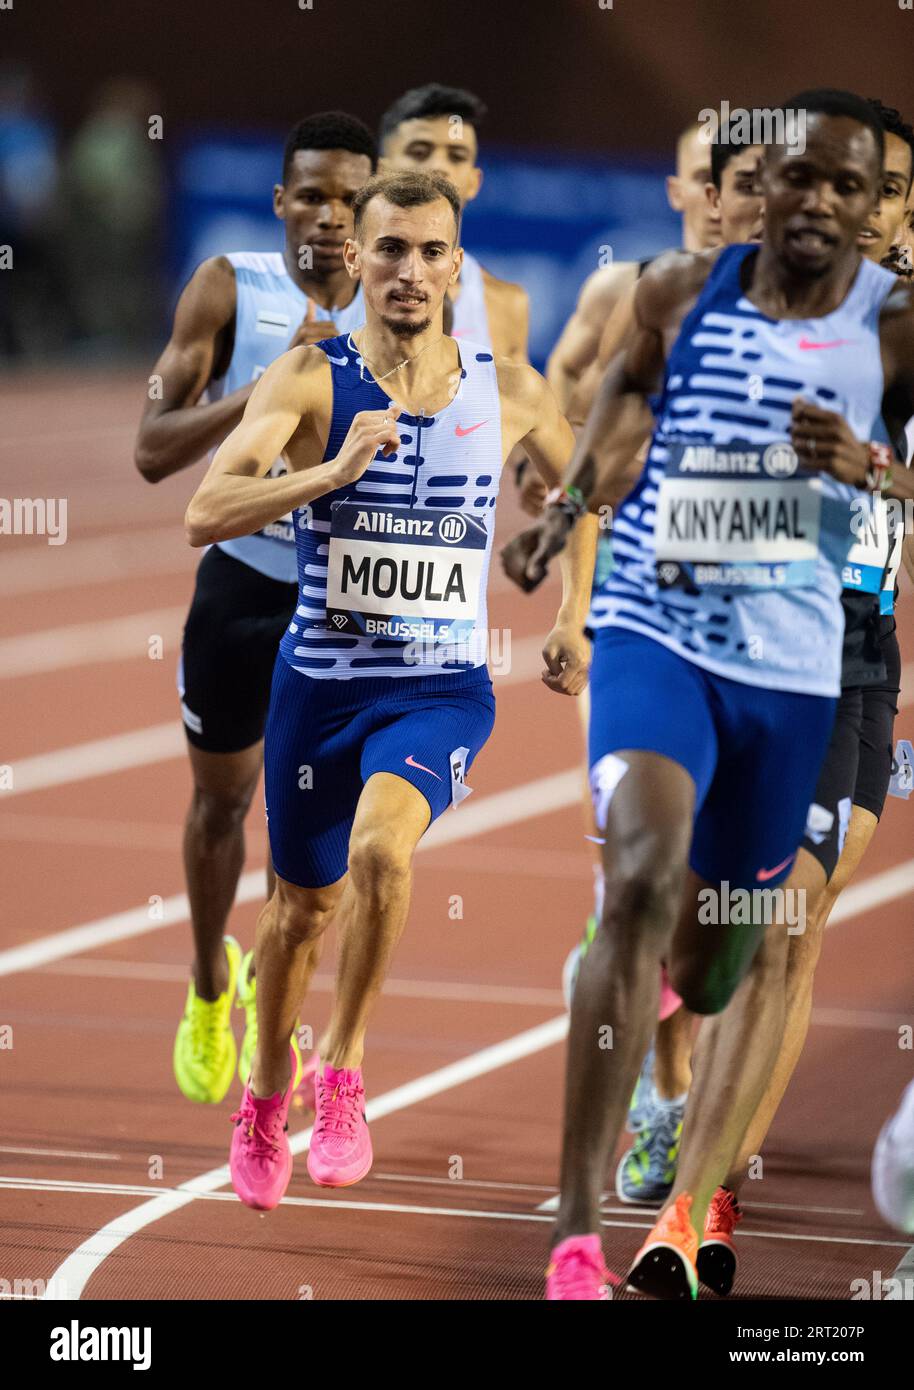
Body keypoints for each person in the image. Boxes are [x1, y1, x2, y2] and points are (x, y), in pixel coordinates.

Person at [502, 88, 914, 1299]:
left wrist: (875, 473)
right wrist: (573, 505)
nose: (848, 208)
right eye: (822, 182)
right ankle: (680, 1186)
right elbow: (613, 395)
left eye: (875, 190)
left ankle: (690, 1162)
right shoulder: (681, 293)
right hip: (675, 623)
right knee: (652, 880)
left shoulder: (895, 329)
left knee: (769, 935)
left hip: (835, 658)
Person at [182, 169, 597, 1210]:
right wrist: (324, 475)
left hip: (439, 689)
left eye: (429, 252)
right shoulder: (311, 381)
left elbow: (589, 488)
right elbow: (206, 508)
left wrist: (570, 609)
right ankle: (266, 1092)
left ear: (458, 266)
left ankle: (346, 1071)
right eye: (389, 251)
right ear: (355, 261)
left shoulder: (509, 393)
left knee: (380, 850)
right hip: (317, 690)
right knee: (296, 911)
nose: (408, 271)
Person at [134, 111, 377, 1105]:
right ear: (280, 201)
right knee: (219, 806)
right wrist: (269, 391)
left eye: (349, 199)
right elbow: (152, 448)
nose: (328, 217)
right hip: (240, 590)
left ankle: (309, 1056)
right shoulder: (230, 287)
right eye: (310, 195)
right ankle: (205, 985)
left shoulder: (402, 299)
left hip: (344, 601)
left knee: (329, 842)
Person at [562, 134, 765, 1208]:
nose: (742, 201)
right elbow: (571, 418)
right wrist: (567, 548)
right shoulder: (638, 291)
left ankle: (650, 995)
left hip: (781, 656)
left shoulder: (855, 320)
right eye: (724, 178)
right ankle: (657, 1095)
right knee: (641, 871)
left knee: (720, 933)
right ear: (690, 188)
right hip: (644, 624)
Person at [378, 82, 544, 515]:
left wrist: (532, 474)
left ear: (473, 181)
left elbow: (525, 422)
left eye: (455, 156)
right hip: (333, 547)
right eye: (419, 151)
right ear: (380, 168)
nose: (437, 167)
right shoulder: (340, 286)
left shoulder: (503, 304)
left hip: (447, 551)